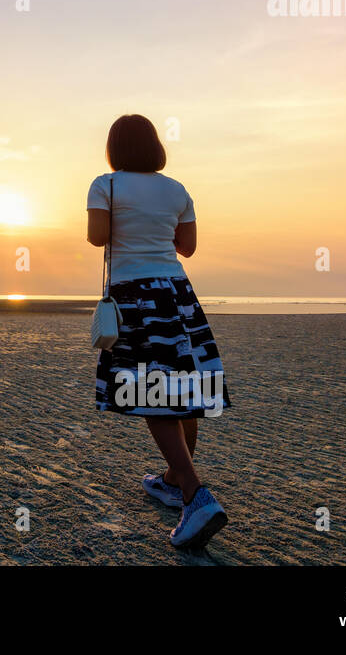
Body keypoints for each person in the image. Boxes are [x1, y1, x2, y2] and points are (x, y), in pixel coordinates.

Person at [87, 114, 231, 549]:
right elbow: (187, 247)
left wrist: (128, 223)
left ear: (115, 148)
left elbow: (97, 237)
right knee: (182, 385)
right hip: (176, 290)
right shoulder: (177, 190)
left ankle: (194, 493)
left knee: (151, 391)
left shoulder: (105, 184)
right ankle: (171, 479)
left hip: (134, 294)